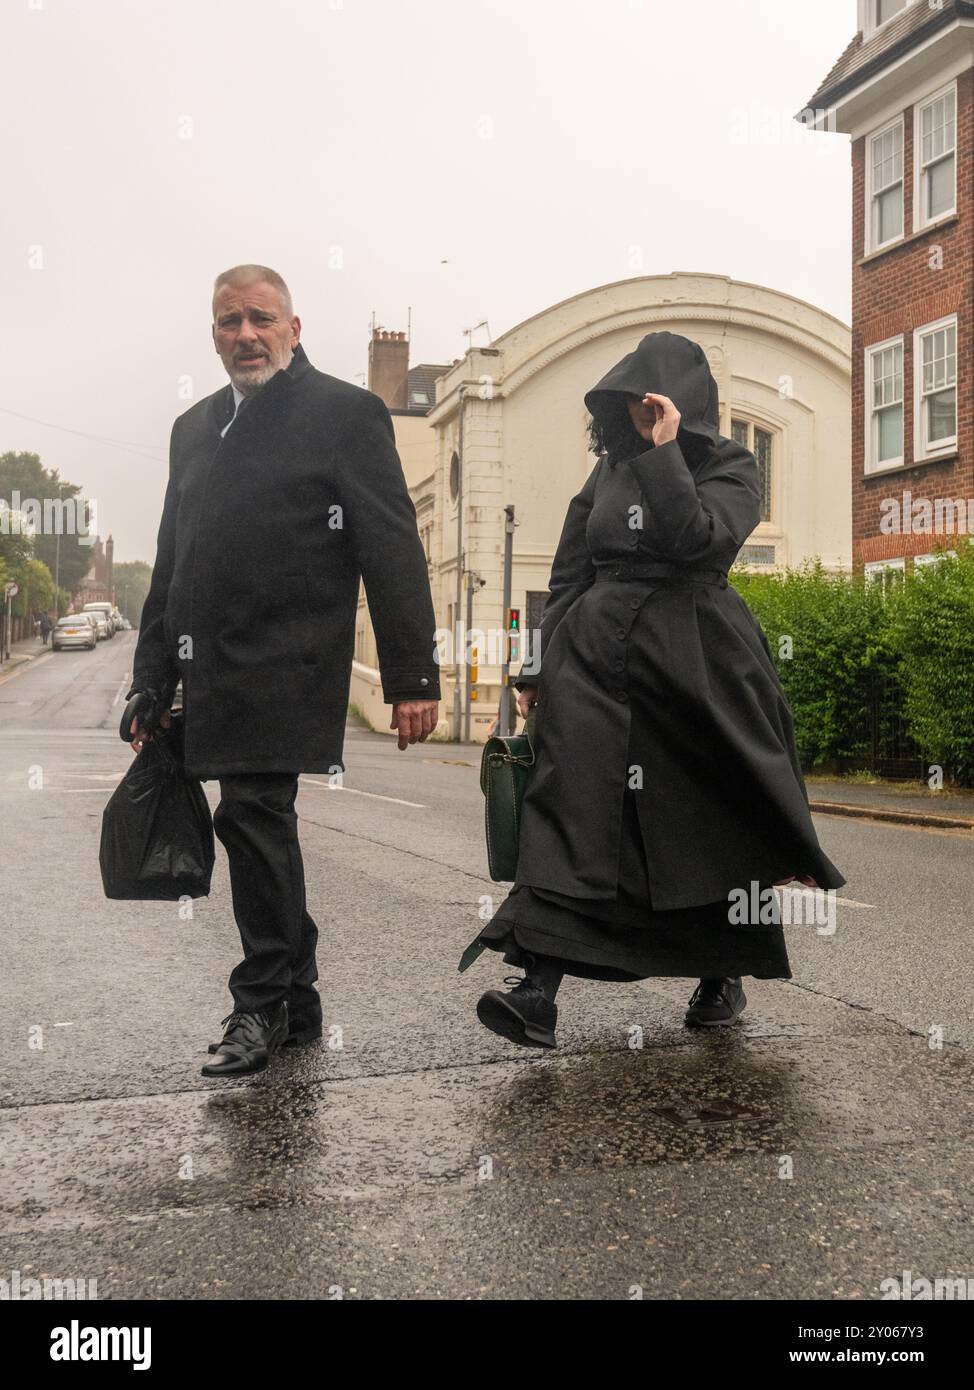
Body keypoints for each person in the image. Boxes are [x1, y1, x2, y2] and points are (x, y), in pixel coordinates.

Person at [461, 331, 846, 1048]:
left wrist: (669, 453)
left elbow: (702, 541)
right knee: (571, 807)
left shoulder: (732, 465)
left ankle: (722, 974)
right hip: (593, 663)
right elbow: (572, 573)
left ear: (685, 404)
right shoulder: (605, 472)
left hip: (696, 663)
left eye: (655, 402)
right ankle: (536, 988)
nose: (640, 413)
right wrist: (535, 671)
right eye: (631, 403)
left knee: (703, 821)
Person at [128, 264, 440, 1077]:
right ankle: (297, 998)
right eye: (229, 322)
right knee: (258, 828)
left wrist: (412, 675)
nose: (246, 335)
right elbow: (173, 560)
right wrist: (150, 677)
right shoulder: (192, 428)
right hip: (205, 667)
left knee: (253, 819)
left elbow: (392, 546)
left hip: (288, 662)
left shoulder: (345, 413)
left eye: (261, 318)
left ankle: (258, 1003)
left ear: (294, 329)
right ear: (214, 334)